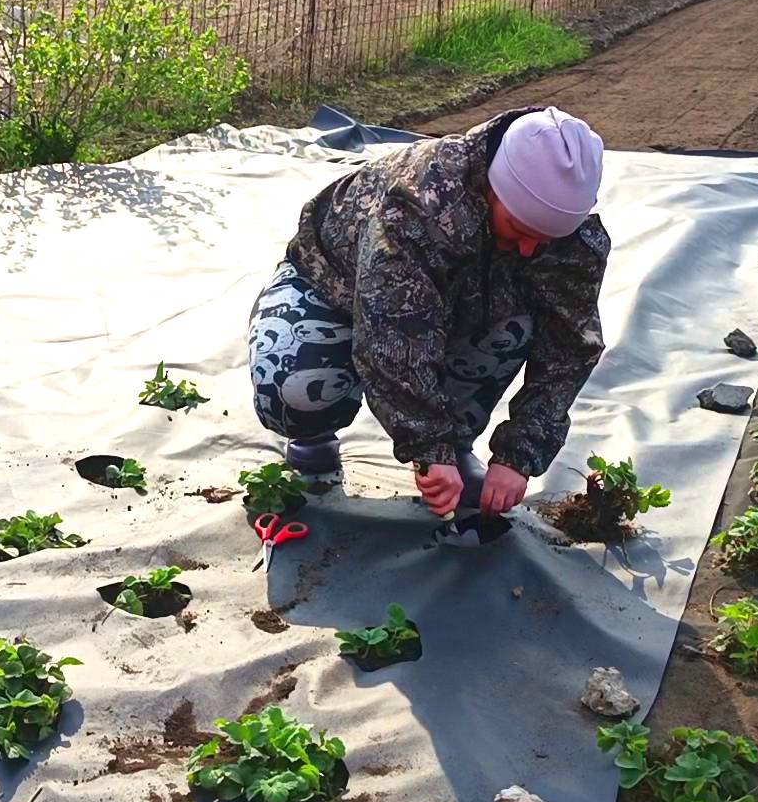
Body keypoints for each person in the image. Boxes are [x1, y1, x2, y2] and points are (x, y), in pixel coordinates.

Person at [248, 106, 610, 519]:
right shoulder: (420, 205)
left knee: (519, 325)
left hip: (454, 309)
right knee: (293, 391)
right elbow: (390, 333)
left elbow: (570, 346)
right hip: (332, 289)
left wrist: (518, 455)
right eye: (522, 231)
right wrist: (427, 449)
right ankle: (313, 434)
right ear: (494, 190)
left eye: (545, 239)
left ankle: (457, 442)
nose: (530, 249)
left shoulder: (574, 239)